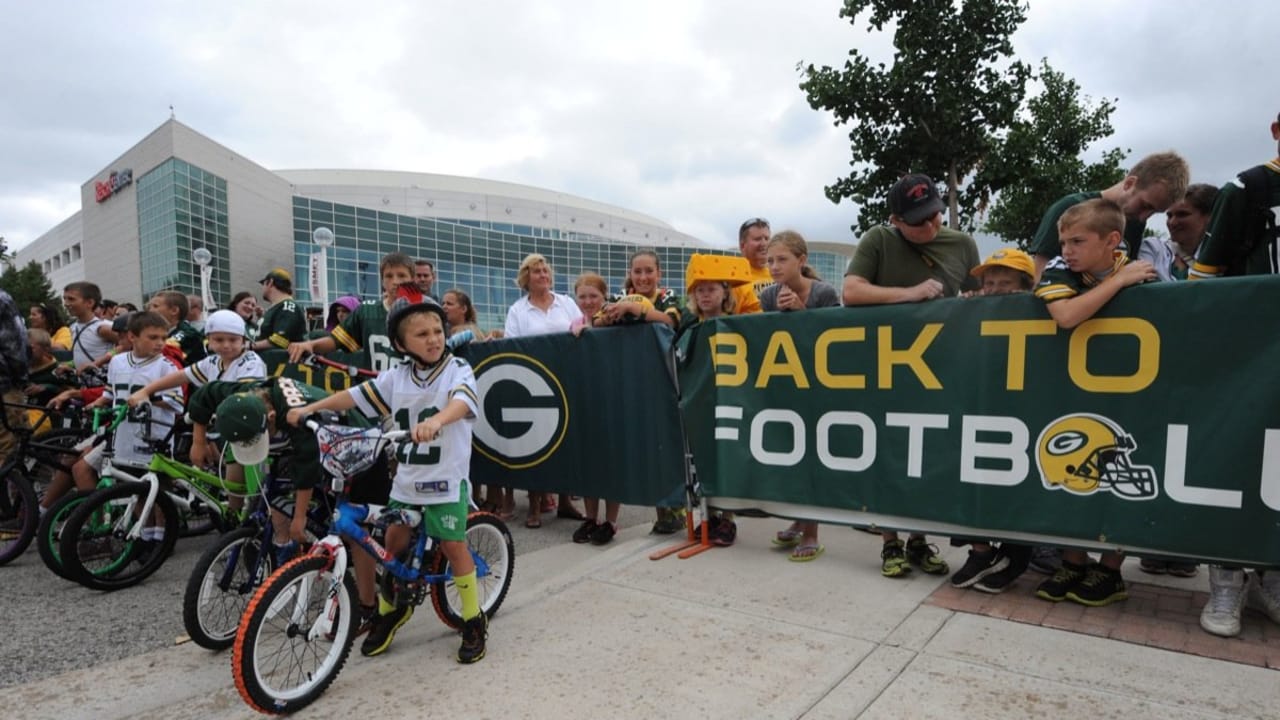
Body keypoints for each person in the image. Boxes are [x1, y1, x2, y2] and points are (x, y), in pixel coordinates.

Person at [285, 295, 488, 663]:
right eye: (421, 334)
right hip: (408, 483)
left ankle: (473, 618)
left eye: (437, 331)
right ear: (400, 344)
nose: (433, 339)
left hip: (444, 479)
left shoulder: (457, 369)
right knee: (392, 546)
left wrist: (438, 420)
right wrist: (310, 409)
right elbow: (353, 396)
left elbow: (463, 402)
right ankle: (390, 610)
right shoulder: (397, 377)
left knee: (453, 546)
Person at [844, 173, 976, 577]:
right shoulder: (878, 240)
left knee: (931, 458)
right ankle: (890, 543)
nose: (932, 225)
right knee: (889, 457)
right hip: (887, 372)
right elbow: (851, 291)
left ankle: (919, 540)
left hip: (940, 373)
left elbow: (981, 297)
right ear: (896, 220)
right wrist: (910, 294)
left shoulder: (963, 244)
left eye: (935, 215)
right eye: (919, 221)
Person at [1032, 198, 1157, 607]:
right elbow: (1065, 317)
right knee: (1077, 477)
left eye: (1077, 241)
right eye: (1063, 241)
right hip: (1073, 390)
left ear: (1113, 240)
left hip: (1132, 390)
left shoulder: (1147, 268)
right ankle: (1074, 562)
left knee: (1118, 475)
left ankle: (1110, 570)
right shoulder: (1061, 270)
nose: (1066, 250)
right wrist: (1118, 284)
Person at [1189, 111, 1280, 638]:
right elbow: (1206, 277)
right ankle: (1225, 579)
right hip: (1250, 359)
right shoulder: (1247, 188)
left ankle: (1269, 578)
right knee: (1235, 462)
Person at [947, 249, 1037, 592]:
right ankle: (980, 552)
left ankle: (1016, 555)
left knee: (1018, 488)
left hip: (1024, 413)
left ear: (1027, 286)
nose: (995, 289)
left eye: (1006, 283)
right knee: (971, 477)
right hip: (982, 412)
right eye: (989, 283)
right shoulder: (973, 312)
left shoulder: (1043, 310)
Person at [759, 231, 840, 561]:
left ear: (801, 261)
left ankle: (811, 533)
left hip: (820, 390)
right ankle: (797, 519)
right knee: (792, 458)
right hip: (786, 388)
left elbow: (837, 339)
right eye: (770, 261)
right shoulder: (768, 296)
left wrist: (804, 310)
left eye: (782, 260)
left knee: (812, 461)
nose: (775, 267)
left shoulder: (824, 292)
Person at [69, 312, 183, 532]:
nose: (160, 343)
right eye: (153, 337)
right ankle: (143, 533)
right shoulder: (118, 362)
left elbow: (177, 402)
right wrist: (98, 404)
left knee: (155, 488)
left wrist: (150, 397)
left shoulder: (166, 366)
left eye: (163, 337)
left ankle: (160, 535)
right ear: (132, 336)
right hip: (123, 434)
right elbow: (111, 392)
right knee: (134, 486)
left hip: (152, 436)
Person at [502, 253, 584, 528]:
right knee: (537, 444)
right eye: (537, 271)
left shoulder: (566, 302)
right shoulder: (517, 310)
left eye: (546, 271)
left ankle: (564, 502)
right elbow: (512, 345)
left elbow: (582, 327)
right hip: (533, 383)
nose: (543, 275)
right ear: (526, 278)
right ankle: (535, 505)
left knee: (566, 442)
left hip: (566, 379)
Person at [1030, 151, 1190, 280]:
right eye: (1145, 206)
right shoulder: (1070, 208)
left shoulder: (1135, 223)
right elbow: (1039, 276)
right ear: (1129, 184)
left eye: (1154, 212)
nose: (1144, 217)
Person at [568, 272, 629, 545]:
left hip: (613, 399)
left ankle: (611, 521)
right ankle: (591, 518)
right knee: (589, 464)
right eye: (582, 296)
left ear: (604, 296)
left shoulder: (614, 318)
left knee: (611, 465)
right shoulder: (574, 323)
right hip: (585, 400)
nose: (588, 301)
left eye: (594, 296)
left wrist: (594, 330)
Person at [287, 253, 417, 374]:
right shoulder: (366, 311)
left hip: (414, 391)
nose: (395, 281)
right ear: (382, 281)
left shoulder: (424, 312)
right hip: (375, 389)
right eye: (389, 276)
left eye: (401, 276)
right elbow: (336, 340)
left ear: (412, 279)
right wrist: (310, 344)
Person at [0, 288, 29, 469]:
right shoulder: (3, 299)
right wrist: (21, 378)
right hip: (4, 386)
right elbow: (14, 344)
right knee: (8, 446)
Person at [1165, 184, 1219, 280]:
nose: (1172, 222)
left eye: (1182, 214)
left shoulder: (1227, 258)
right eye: (1169, 216)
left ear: (1211, 217)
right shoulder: (1158, 253)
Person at [63, 282, 118, 372]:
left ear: (90, 303)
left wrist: (97, 363)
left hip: (102, 383)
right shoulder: (73, 327)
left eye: (71, 299)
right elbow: (82, 356)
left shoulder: (101, 328)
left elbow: (126, 345)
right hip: (84, 383)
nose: (66, 303)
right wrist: (69, 365)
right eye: (64, 299)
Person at [252, 268, 307, 352]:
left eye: (263, 284)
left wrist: (247, 346)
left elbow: (279, 340)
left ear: (270, 282)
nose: (262, 288)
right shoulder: (278, 307)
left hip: (279, 363)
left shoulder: (288, 306)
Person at [147, 290, 205, 365]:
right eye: (149, 307)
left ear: (174, 310)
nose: (150, 311)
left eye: (155, 306)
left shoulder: (189, 335)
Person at [733, 218, 774, 314]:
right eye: (757, 239)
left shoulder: (779, 273)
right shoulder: (734, 281)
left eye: (767, 238)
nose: (764, 244)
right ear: (743, 246)